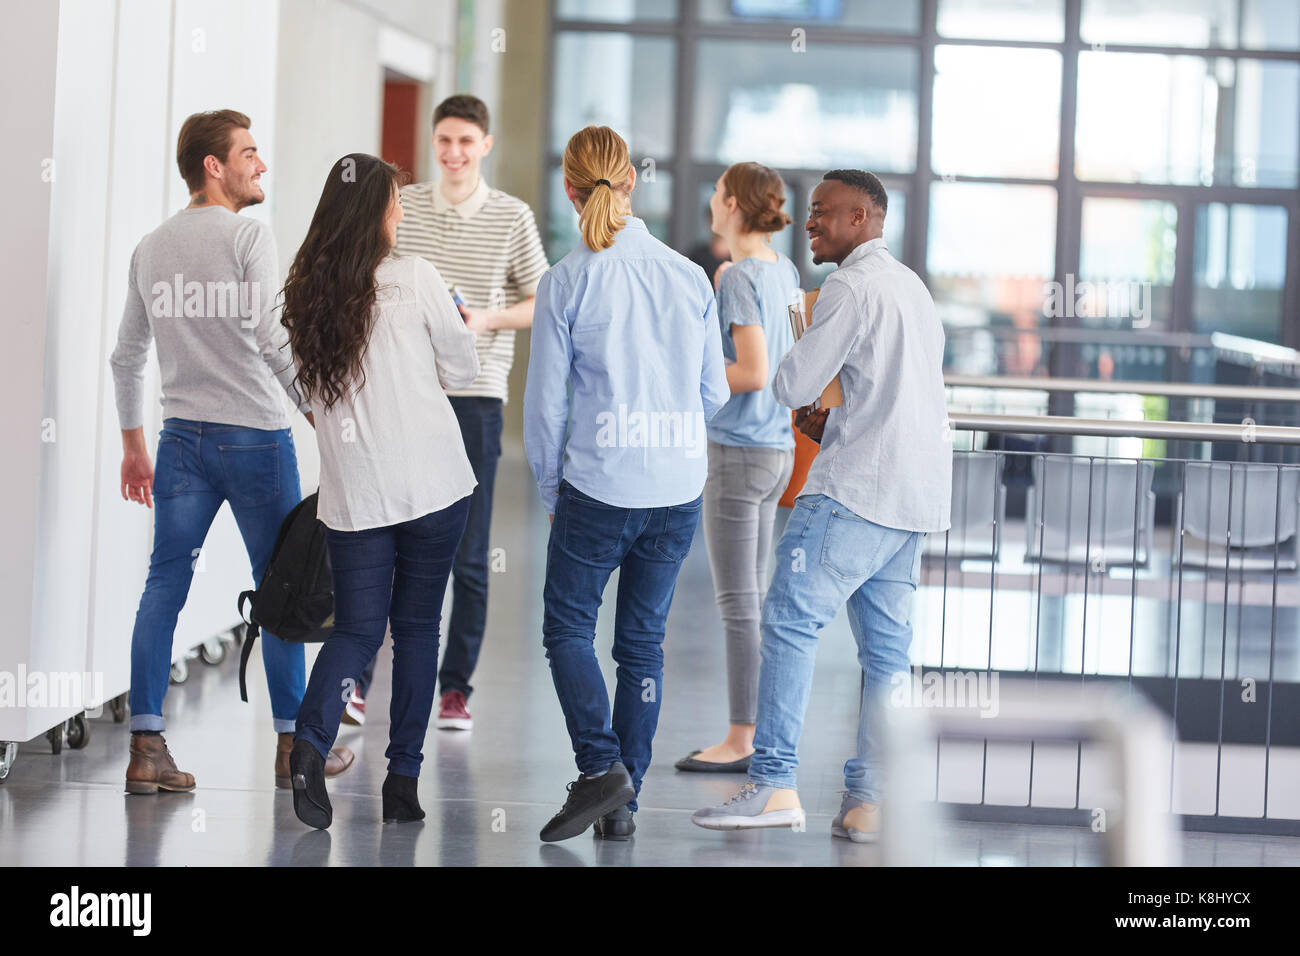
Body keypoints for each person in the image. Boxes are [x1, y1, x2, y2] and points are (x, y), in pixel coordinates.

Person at [692, 170, 952, 842]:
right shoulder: (912, 288)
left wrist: (799, 365)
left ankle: (774, 782)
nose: (810, 224)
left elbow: (790, 383)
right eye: (810, 213)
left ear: (864, 217)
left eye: (825, 214)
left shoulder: (850, 286)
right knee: (887, 655)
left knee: (786, 619)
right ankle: (866, 802)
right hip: (915, 498)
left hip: (856, 488)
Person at [110, 109, 354, 794]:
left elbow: (125, 357)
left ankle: (146, 748)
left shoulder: (151, 247)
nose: (261, 165)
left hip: (180, 441)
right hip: (253, 437)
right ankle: (293, 750)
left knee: (163, 587)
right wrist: (321, 413)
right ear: (213, 166)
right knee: (284, 589)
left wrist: (134, 448)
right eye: (249, 153)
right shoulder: (249, 237)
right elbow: (273, 341)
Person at [525, 125, 729, 842]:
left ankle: (599, 767)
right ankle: (625, 802)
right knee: (641, 645)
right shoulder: (688, 274)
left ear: (569, 188)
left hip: (599, 486)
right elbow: (715, 395)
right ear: (632, 183)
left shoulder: (567, 279)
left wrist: (551, 493)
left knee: (567, 628)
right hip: (675, 486)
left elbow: (546, 408)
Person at [280, 154, 479, 829]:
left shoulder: (300, 294)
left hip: (355, 495)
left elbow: (305, 395)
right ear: (377, 213)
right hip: (432, 484)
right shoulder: (417, 278)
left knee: (358, 631)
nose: (400, 213)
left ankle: (308, 750)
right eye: (395, 202)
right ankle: (403, 781)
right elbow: (461, 364)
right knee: (418, 629)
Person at [346, 93, 547, 734]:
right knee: (387, 535)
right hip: (405, 396)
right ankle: (359, 683)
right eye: (444, 141)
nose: (454, 152)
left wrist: (486, 318)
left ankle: (454, 689)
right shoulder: (406, 207)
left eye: (466, 141)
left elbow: (542, 300)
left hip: (477, 398)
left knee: (470, 550)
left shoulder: (512, 216)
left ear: (485, 145)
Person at [675, 162, 797, 774]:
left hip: (737, 451)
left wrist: (685, 378)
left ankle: (743, 737)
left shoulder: (739, 278)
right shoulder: (784, 270)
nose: (713, 201)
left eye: (719, 193)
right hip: (776, 451)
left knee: (738, 604)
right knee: (754, 601)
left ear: (735, 206)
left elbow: (749, 372)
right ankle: (759, 733)